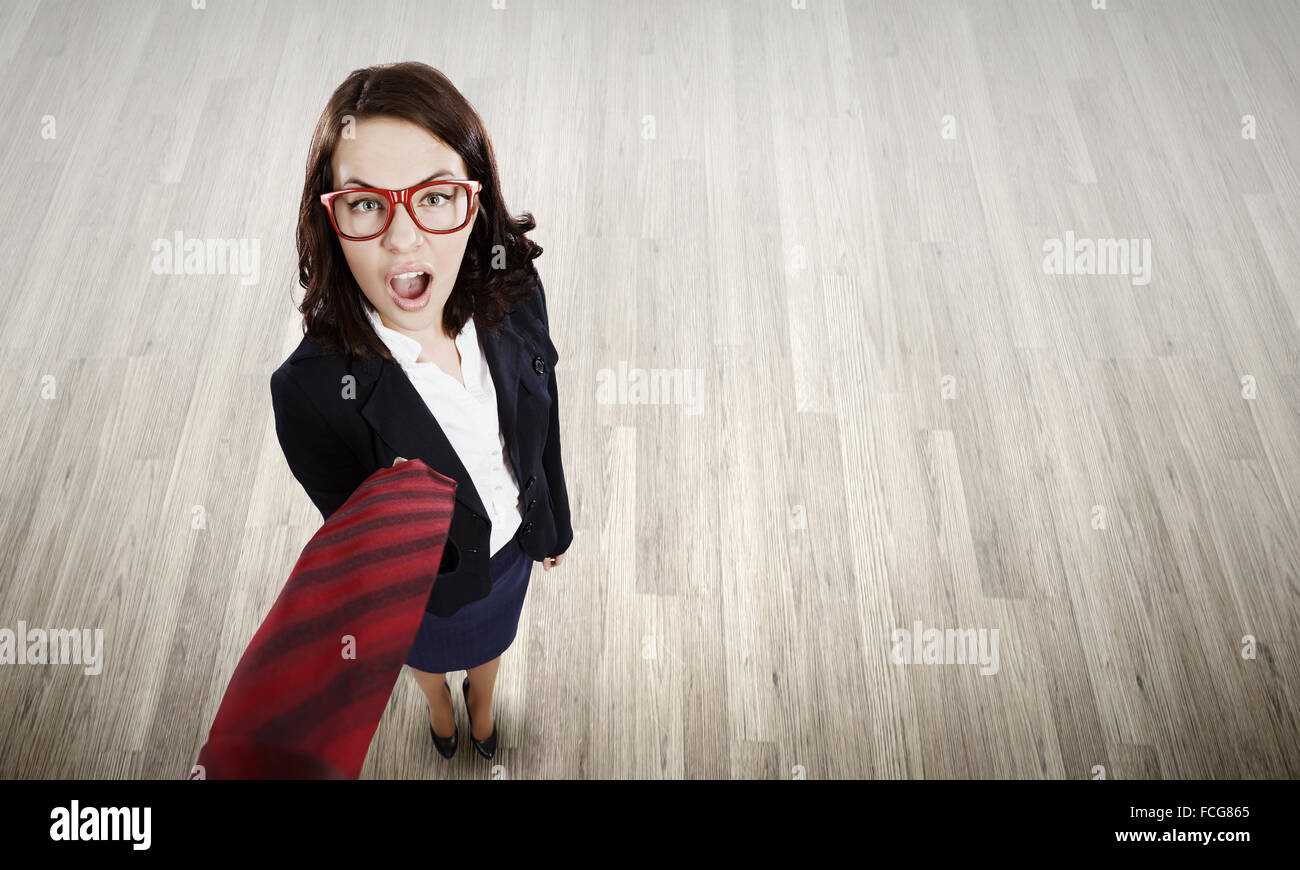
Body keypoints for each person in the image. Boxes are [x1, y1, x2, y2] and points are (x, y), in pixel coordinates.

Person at [269, 61, 573, 762]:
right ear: (330, 217)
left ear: (475, 197)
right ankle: (438, 705)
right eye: (365, 202)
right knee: (429, 663)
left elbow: (541, 419)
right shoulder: (309, 393)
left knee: (496, 645)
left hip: (512, 556)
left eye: (435, 197)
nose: (403, 241)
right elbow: (352, 537)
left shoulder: (516, 290)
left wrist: (550, 523)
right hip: (421, 595)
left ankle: (484, 701)